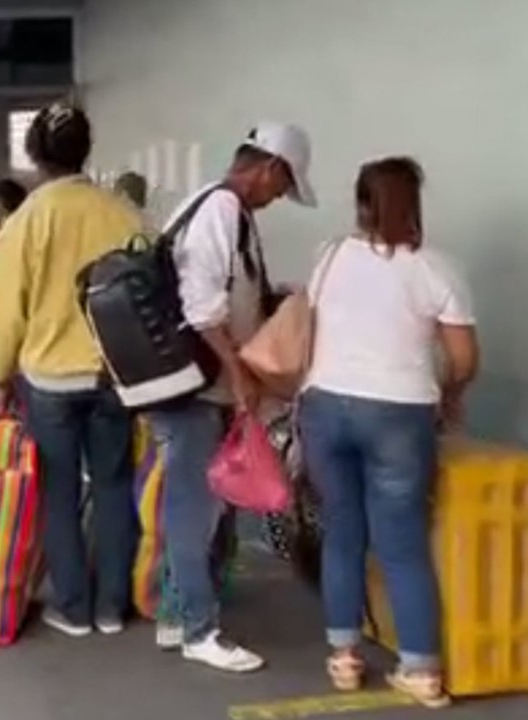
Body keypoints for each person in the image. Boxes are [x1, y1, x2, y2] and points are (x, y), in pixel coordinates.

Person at [299, 157, 477, 707]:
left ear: (361, 203)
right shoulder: (436, 269)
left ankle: (345, 657)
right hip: (400, 413)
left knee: (342, 532)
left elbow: (313, 329)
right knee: (401, 544)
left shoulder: (329, 257)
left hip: (325, 406)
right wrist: (450, 394)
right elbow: (464, 358)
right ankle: (420, 670)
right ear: (414, 203)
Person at [146, 121, 317, 672]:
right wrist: (238, 373)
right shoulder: (221, 209)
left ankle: (178, 617)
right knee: (193, 509)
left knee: (199, 506)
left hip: (198, 386)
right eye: (282, 185)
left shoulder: (214, 206)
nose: (278, 197)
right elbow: (202, 308)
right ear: (269, 168)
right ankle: (199, 630)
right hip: (199, 388)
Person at [0, 103, 141, 638]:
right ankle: (112, 607)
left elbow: (5, 313)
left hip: (49, 381)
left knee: (58, 493)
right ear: (86, 150)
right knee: (115, 488)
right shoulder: (122, 214)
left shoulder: (24, 222)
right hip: (114, 376)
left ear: (34, 155)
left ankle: (73, 607)